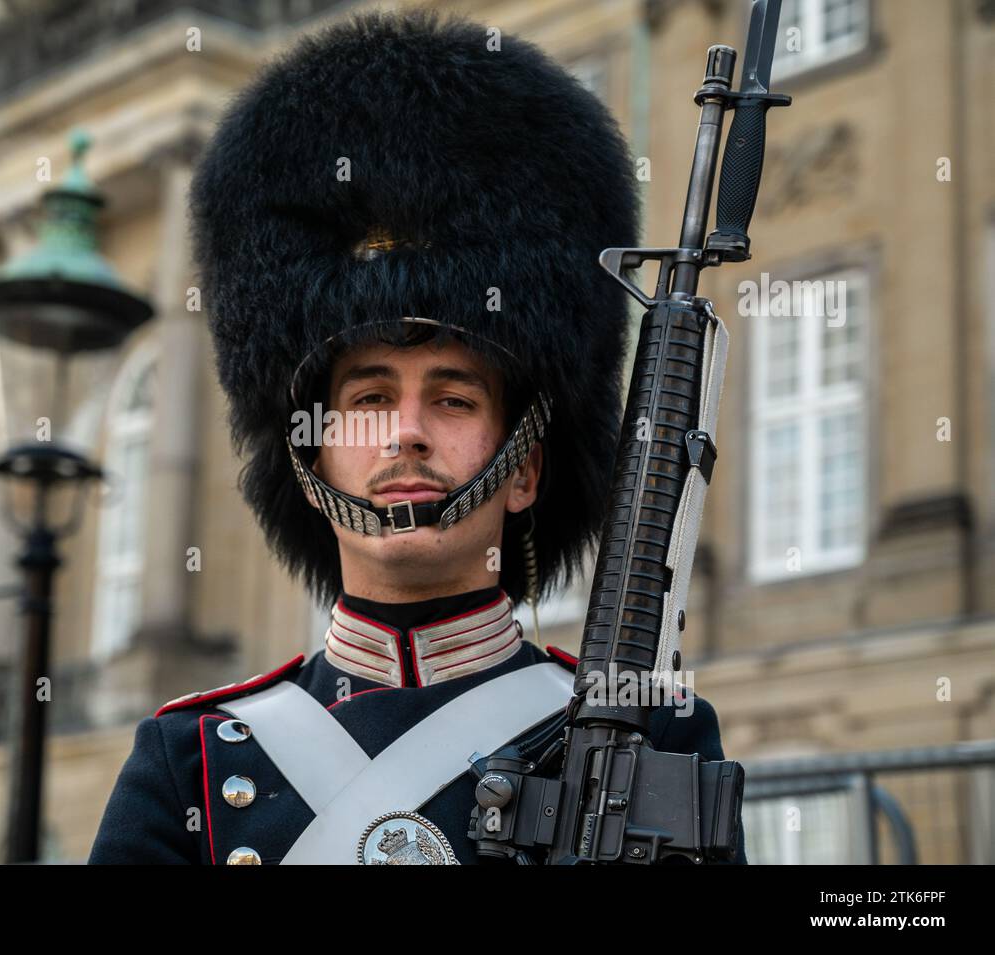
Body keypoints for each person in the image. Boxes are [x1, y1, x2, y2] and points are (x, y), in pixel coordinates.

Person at [89, 7, 746, 865]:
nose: (406, 432)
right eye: (367, 399)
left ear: (526, 469)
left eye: (455, 399)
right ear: (311, 449)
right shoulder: (192, 762)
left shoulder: (655, 733)